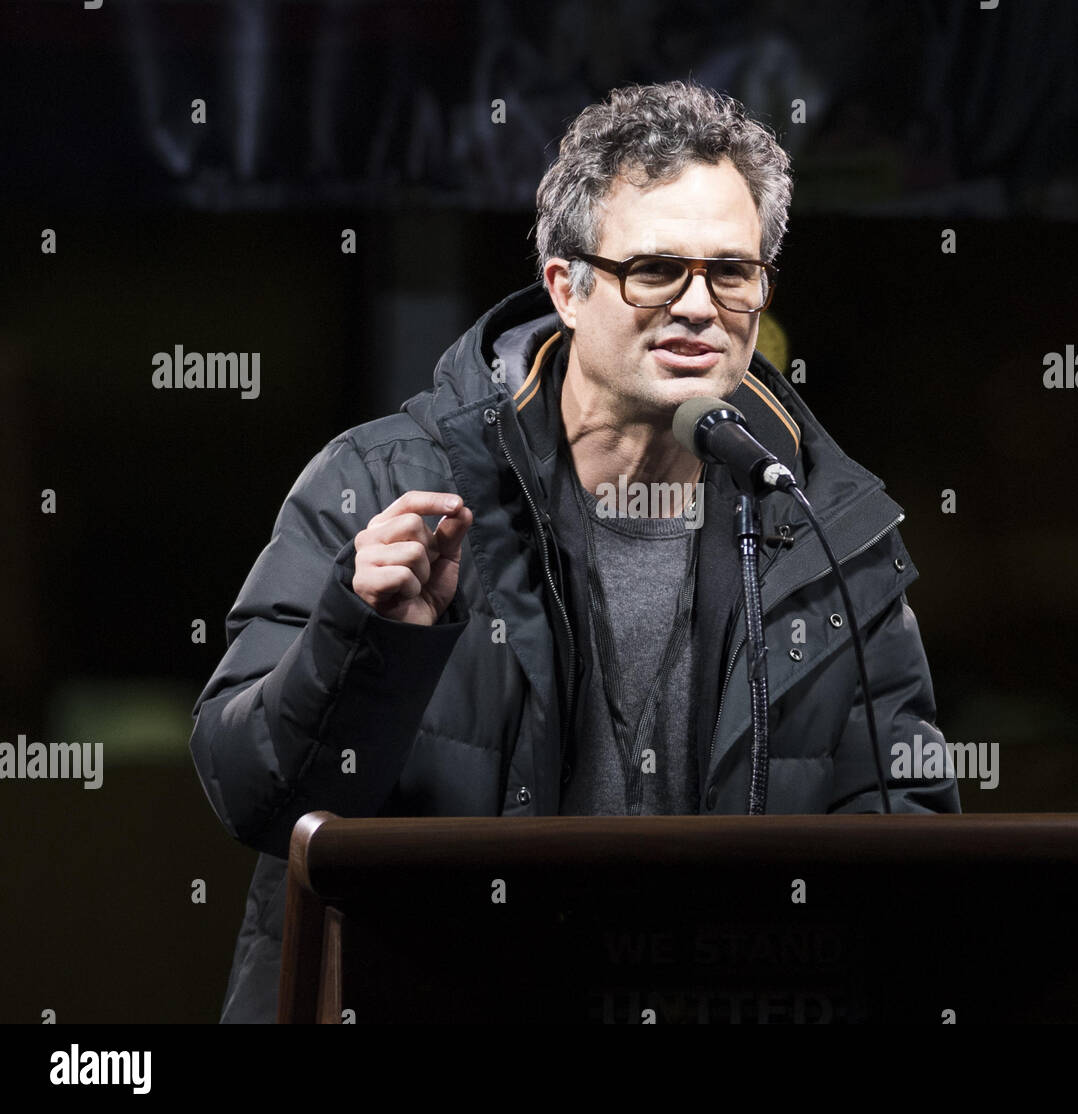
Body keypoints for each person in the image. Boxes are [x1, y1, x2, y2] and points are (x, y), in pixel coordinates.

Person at [190, 79, 960, 1024]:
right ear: (565, 286)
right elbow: (250, 793)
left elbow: (914, 859)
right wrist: (363, 644)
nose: (698, 306)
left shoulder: (830, 528)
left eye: (731, 271)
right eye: (655, 270)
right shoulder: (385, 484)